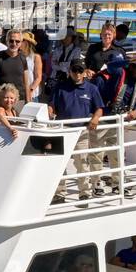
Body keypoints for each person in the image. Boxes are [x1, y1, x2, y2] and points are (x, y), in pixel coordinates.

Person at [51, 60, 105, 201]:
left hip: (81, 131)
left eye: (80, 70)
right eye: (74, 70)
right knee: (60, 162)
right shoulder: (60, 87)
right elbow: (51, 105)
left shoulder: (92, 88)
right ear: (69, 71)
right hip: (62, 130)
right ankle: (59, 193)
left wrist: (95, 118)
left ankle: (84, 192)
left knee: (82, 162)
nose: (77, 73)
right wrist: (49, 114)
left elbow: (99, 108)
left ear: (85, 71)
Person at [0, 30, 31, 107]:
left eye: (17, 41)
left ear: (21, 43)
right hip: (1, 101)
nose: (14, 44)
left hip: (19, 101)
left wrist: (28, 101)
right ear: (7, 41)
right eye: (11, 41)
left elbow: (26, 83)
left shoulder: (23, 58)